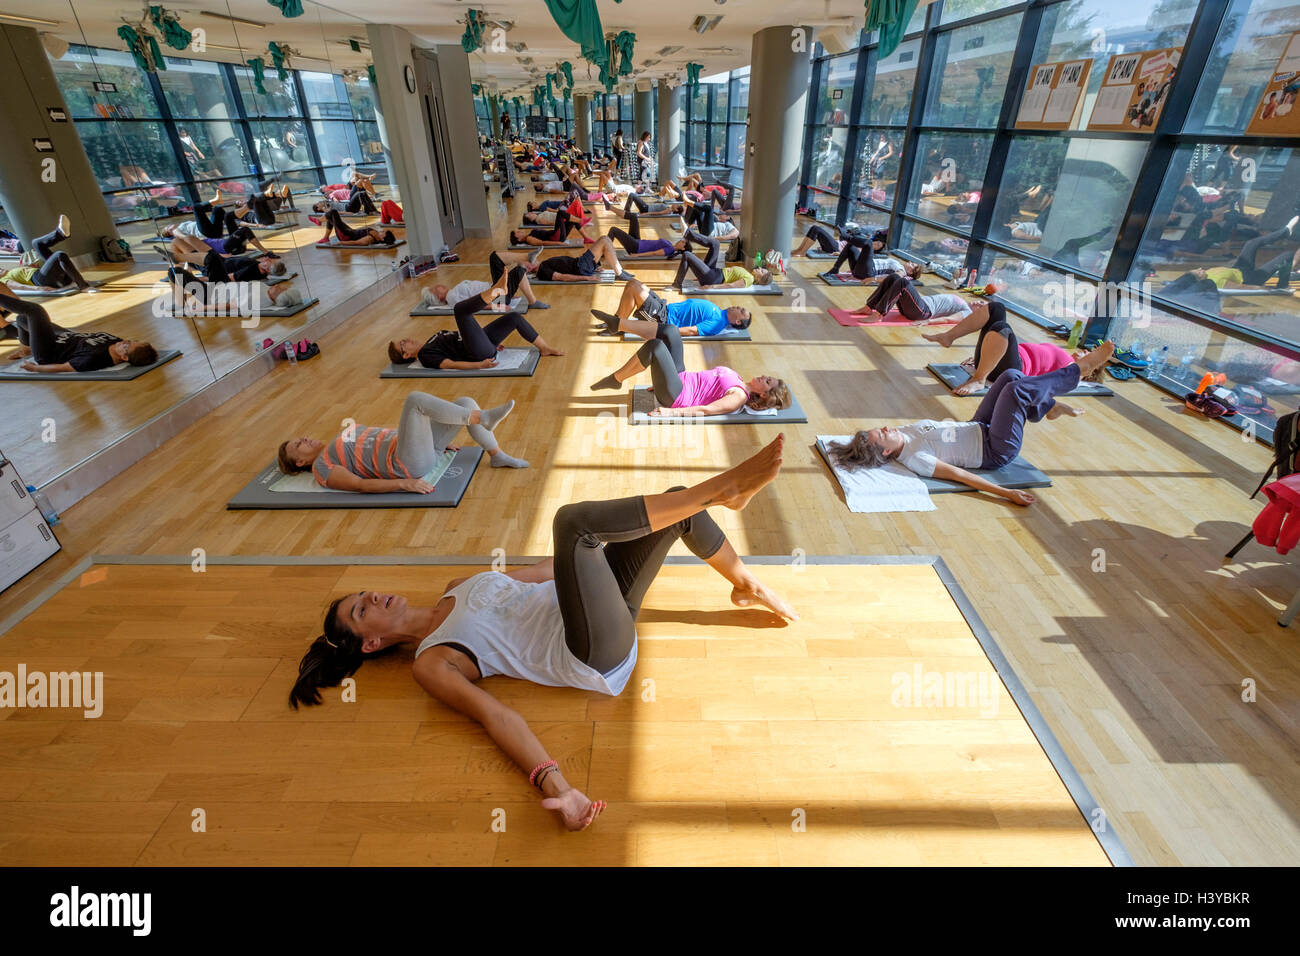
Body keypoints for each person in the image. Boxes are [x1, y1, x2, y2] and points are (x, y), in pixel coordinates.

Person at [287, 436, 796, 830]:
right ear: (370, 643)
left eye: (365, 593)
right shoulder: (432, 660)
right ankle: (723, 489)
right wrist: (559, 785)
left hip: (600, 605)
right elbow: (495, 716)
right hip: (592, 649)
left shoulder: (457, 585)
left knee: (671, 504)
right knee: (572, 522)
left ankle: (745, 582)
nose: (373, 597)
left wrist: (600, 550)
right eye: (361, 611)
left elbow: (546, 570)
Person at [827, 343, 1115, 505]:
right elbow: (961, 476)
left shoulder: (902, 433)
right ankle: (1078, 371)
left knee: (1012, 375)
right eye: (882, 434)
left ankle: (1046, 408)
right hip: (995, 448)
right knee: (1016, 391)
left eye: (881, 428)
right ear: (887, 453)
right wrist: (1007, 493)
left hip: (977, 426)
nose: (887, 428)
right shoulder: (917, 459)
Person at [278, 392, 528, 485]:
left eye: (301, 437)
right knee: (415, 401)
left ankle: (497, 455)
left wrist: (425, 437)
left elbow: (384, 435)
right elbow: (359, 485)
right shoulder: (323, 467)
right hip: (406, 464)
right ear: (300, 462)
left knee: (464, 403)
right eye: (298, 445)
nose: (305, 439)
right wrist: (404, 484)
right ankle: (483, 417)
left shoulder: (336, 442)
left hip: (417, 448)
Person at [590, 323, 789, 418]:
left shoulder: (738, 396)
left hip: (677, 396)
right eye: (769, 377)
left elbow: (706, 410)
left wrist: (670, 413)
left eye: (768, 381)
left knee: (656, 346)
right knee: (670, 331)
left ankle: (616, 379)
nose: (764, 376)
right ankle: (625, 325)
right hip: (680, 380)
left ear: (763, 394)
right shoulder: (739, 379)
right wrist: (663, 379)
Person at [920, 301, 1104, 395]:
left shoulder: (1072, 372)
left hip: (1010, 370)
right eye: (1089, 351)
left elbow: (1064, 381)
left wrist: (1089, 366)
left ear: (1089, 370)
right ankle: (948, 337)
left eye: (1090, 355)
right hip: (998, 360)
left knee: (1003, 329)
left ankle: (979, 379)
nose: (1087, 352)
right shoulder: (1067, 357)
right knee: (996, 308)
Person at [389, 283, 564, 372]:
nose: (408, 339)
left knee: (514, 317)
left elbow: (467, 333)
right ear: (406, 354)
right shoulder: (426, 355)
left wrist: (489, 342)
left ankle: (544, 348)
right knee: (460, 310)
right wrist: (479, 365)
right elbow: (451, 364)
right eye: (403, 343)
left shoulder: (430, 342)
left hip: (481, 342)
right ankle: (495, 291)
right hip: (476, 353)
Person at [1, 285, 157, 373]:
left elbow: (63, 367)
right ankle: (28, 347)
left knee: (35, 311)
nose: (127, 341)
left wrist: (35, 368)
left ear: (124, 357)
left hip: (49, 351)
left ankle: (32, 348)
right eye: (133, 340)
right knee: (22, 319)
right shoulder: (117, 342)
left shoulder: (94, 359)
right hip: (67, 337)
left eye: (128, 345)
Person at [591, 277, 750, 338]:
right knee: (635, 283)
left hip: (663, 318)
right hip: (663, 307)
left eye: (742, 311)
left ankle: (618, 325)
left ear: (737, 322)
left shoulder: (717, 323)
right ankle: (617, 321)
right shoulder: (719, 312)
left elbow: (692, 330)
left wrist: (662, 331)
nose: (739, 307)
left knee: (633, 288)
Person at [423, 250, 550, 311]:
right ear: (438, 296)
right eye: (434, 288)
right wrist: (497, 307)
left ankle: (527, 257)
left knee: (511, 266)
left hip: (497, 291)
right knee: (495, 258)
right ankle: (527, 258)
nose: (437, 285)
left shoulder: (453, 292)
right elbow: (471, 306)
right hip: (495, 296)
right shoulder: (451, 298)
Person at [0, 217, 94, 292]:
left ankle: (60, 233)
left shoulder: (10, 272)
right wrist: (39, 289)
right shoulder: (3, 281)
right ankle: (84, 286)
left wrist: (30, 267)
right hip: (44, 281)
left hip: (57, 278)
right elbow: (19, 287)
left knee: (36, 243)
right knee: (59, 255)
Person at [166, 265, 304, 314]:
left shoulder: (257, 301)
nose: (277, 286)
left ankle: (180, 302)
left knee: (174, 272)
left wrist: (199, 309)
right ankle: (186, 269)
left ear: (277, 298)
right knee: (211, 258)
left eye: (279, 290)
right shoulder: (267, 289)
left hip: (210, 295)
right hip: (221, 284)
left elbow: (228, 306)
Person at [669, 230, 770, 291]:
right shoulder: (749, 274)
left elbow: (731, 286)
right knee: (716, 243)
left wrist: (712, 287)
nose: (760, 268)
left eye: (762, 271)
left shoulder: (749, 280)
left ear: (760, 279)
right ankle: (688, 234)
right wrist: (700, 275)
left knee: (687, 254)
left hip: (712, 278)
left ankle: (677, 284)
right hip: (713, 272)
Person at [852, 273, 973, 324]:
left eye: (982, 304)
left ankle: (878, 314)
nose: (979, 302)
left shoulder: (968, 312)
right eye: (981, 301)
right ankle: (869, 307)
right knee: (894, 277)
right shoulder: (963, 300)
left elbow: (949, 320)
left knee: (903, 283)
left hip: (923, 312)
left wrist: (928, 322)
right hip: (917, 305)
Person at [534, 237, 632, 282]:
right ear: (531, 268)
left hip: (580, 263)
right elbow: (561, 277)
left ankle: (620, 271)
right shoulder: (542, 270)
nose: (534, 260)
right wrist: (587, 278)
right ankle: (619, 273)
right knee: (604, 241)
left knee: (605, 239)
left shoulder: (544, 264)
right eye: (531, 262)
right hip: (580, 267)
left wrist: (594, 268)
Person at [318, 210, 395, 247]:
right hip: (350, 231)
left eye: (383, 233)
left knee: (333, 213)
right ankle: (326, 238)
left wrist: (340, 243)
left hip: (345, 236)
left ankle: (318, 221)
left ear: (382, 238)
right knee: (332, 218)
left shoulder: (369, 239)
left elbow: (357, 243)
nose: (382, 231)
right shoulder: (376, 234)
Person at [605, 226, 678, 260]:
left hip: (636, 248)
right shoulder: (670, 245)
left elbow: (654, 253)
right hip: (639, 242)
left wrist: (637, 255)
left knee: (613, 230)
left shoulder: (670, 249)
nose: (681, 240)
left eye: (683, 242)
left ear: (683, 247)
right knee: (634, 218)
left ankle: (605, 250)